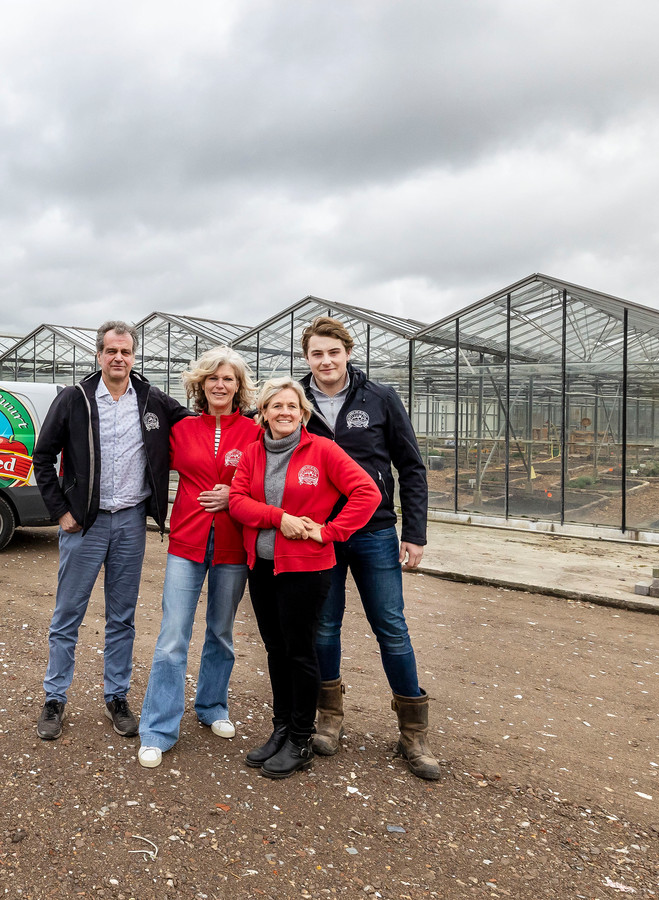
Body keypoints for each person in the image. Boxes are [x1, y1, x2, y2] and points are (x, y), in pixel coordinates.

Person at [31, 321, 191, 741]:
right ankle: (54, 698)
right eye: (111, 351)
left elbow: (198, 424)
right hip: (85, 524)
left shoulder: (152, 400)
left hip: (131, 522)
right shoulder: (75, 398)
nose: (119, 358)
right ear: (99, 355)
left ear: (134, 356)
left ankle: (116, 696)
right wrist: (61, 511)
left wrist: (252, 414)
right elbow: (42, 457)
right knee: (68, 615)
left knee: (122, 617)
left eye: (126, 351)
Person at [298, 316, 439, 780]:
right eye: (317, 353)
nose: (326, 361)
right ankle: (329, 717)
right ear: (307, 357)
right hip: (321, 532)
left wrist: (414, 532)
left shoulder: (379, 398)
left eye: (333, 352)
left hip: (374, 531)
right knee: (324, 626)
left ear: (348, 353)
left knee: (391, 627)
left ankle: (413, 732)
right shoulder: (295, 400)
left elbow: (410, 467)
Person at [227, 377, 379, 778]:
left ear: (303, 413)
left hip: (306, 569)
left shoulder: (323, 450)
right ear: (264, 413)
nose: (285, 412)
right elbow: (238, 502)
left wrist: (330, 532)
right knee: (275, 649)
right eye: (276, 406)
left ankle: (300, 739)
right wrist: (280, 518)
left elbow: (367, 493)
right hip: (262, 566)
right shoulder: (253, 452)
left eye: (292, 406)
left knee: (299, 651)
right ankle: (281, 729)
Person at [136, 347, 262, 768]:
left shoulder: (255, 432)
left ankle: (212, 706)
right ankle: (158, 729)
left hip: (233, 543)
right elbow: (150, 462)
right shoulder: (183, 428)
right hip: (187, 541)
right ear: (200, 384)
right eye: (213, 378)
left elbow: (267, 480)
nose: (220, 385)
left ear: (239, 386)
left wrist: (235, 494)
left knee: (221, 631)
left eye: (228, 379)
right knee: (173, 635)